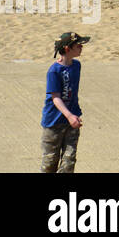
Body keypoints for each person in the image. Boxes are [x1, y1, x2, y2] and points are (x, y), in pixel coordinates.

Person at [42, 32, 90, 173]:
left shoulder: (77, 66)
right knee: (50, 162)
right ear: (68, 49)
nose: (81, 47)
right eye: (78, 45)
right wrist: (69, 115)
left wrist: (72, 116)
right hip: (54, 122)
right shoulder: (54, 71)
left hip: (72, 121)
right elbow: (55, 97)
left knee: (69, 160)